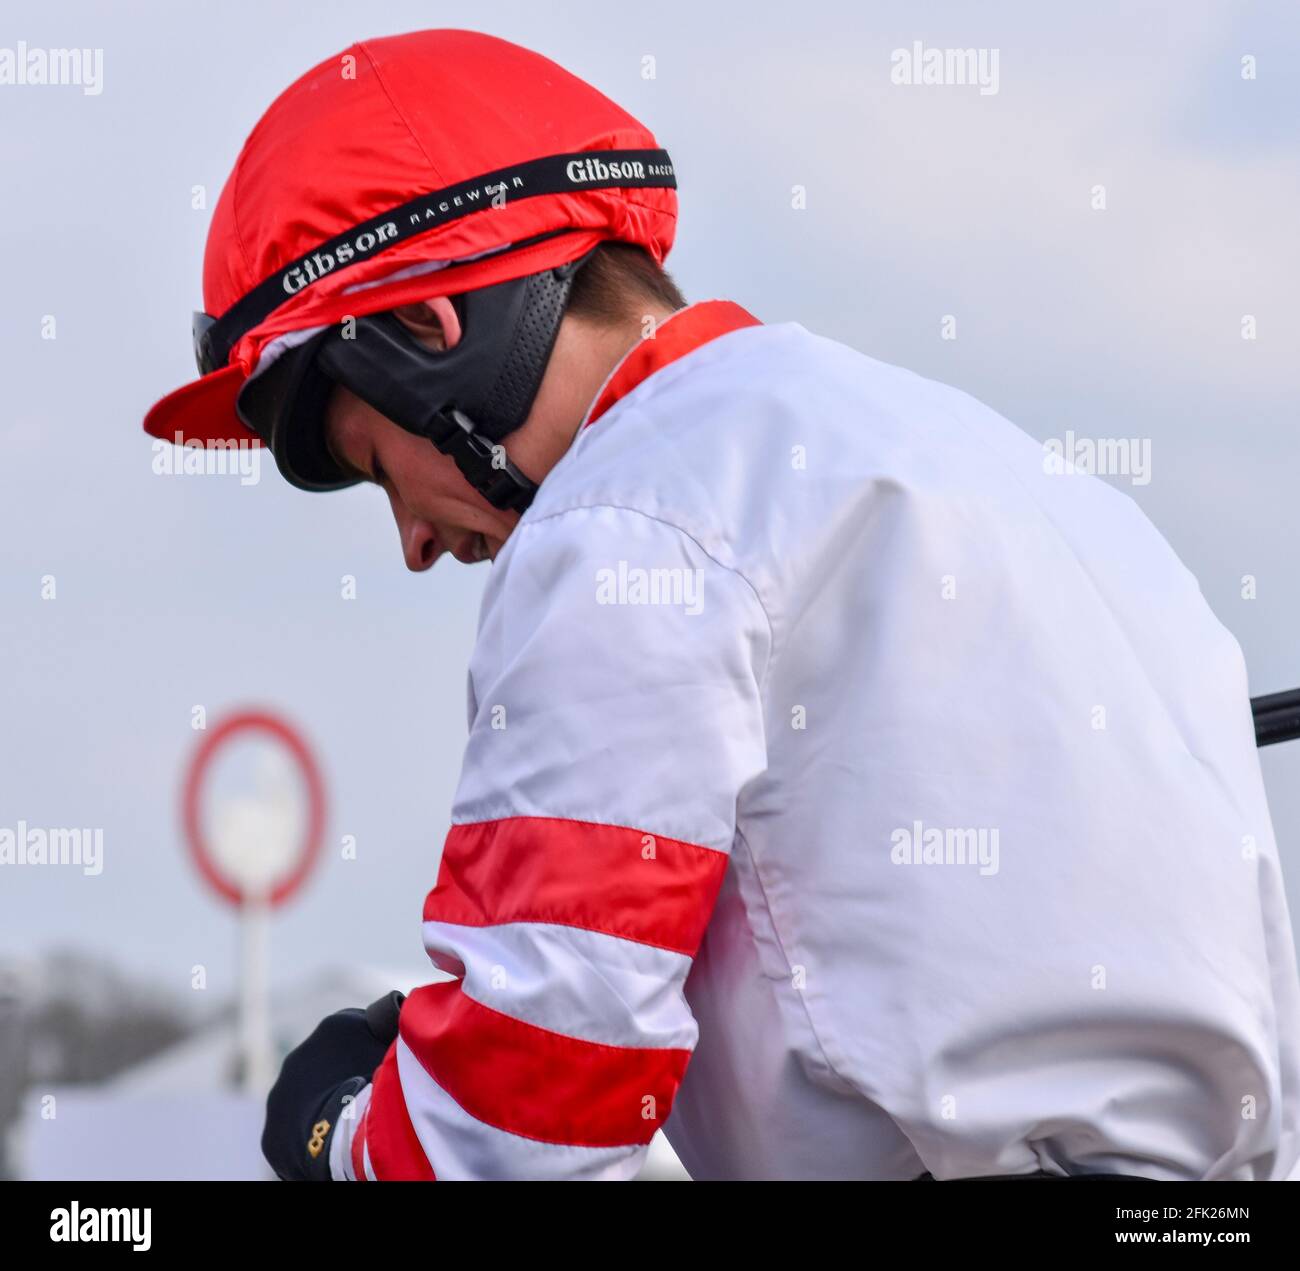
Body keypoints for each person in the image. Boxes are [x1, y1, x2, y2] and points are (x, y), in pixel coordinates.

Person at [144, 29, 1300, 1182]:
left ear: (425, 337)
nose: (410, 541)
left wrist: (334, 1123)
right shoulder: (1018, 480)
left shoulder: (624, 523)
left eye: (379, 466)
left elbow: (514, 1141)